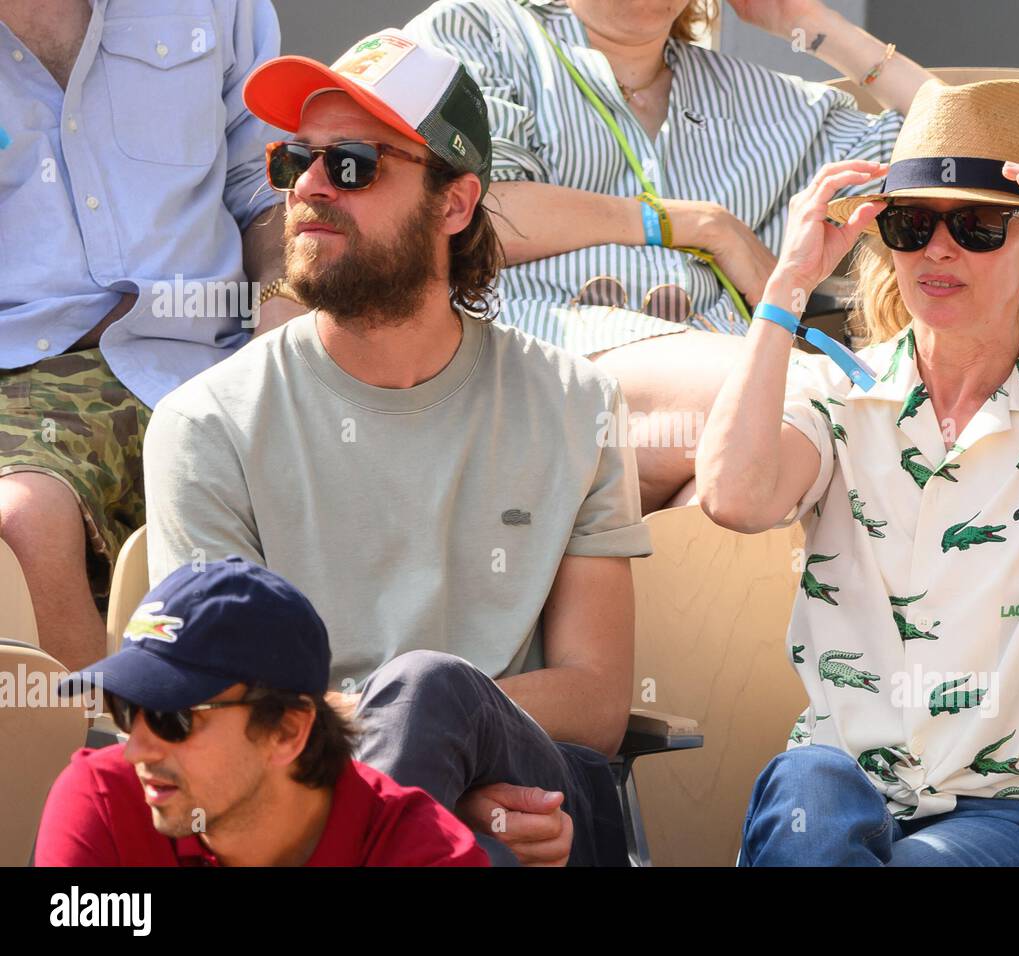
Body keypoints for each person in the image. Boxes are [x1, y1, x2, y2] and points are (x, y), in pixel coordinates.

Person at [143, 30, 649, 866]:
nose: (307, 187)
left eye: (353, 165)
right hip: (308, 810)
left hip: (530, 807)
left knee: (435, 688)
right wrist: (430, 775)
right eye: (293, 161)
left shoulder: (574, 403)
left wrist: (450, 733)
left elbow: (595, 699)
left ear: (454, 204)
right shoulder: (208, 423)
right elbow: (222, 709)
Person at [695, 78, 1019, 865]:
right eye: (912, 223)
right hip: (835, 787)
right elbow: (734, 497)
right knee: (812, 804)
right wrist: (786, 287)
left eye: (981, 224)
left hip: (1010, 815)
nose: (940, 250)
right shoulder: (838, 395)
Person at [409, 0, 938, 510]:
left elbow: (962, 150)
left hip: (703, 411)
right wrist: (701, 226)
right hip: (531, 370)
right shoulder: (485, 29)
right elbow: (471, 213)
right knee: (826, 407)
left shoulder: (754, 97)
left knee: (757, 500)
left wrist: (808, 20)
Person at [0, 0, 300, 672]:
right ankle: (98, 770)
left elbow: (272, 184)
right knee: (22, 522)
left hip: (217, 350)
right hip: (21, 380)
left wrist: (284, 303)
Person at [35, 557, 488, 867]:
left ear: (287, 731)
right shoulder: (103, 800)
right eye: (126, 708)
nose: (135, 750)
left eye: (171, 718)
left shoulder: (424, 854)